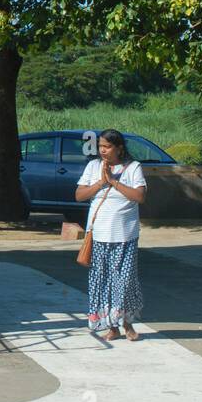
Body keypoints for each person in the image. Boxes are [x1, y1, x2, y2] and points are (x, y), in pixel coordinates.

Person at [74, 129, 147, 341]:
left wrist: (114, 182)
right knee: (103, 281)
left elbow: (140, 196)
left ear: (119, 148)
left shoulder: (133, 168)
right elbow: (79, 195)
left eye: (107, 147)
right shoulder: (93, 166)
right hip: (98, 235)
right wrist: (101, 183)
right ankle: (112, 327)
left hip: (125, 236)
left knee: (124, 281)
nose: (102, 151)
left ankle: (127, 324)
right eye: (100, 147)